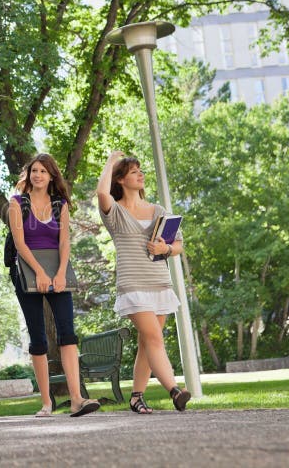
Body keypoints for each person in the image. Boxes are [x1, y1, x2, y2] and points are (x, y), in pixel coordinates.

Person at [96, 150, 191, 413]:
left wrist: (165, 249)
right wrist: (111, 161)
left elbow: (178, 244)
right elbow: (101, 192)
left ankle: (136, 397)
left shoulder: (158, 210)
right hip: (133, 284)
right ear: (120, 179)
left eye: (141, 170)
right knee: (154, 338)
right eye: (134, 171)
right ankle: (175, 390)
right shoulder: (115, 211)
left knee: (147, 343)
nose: (141, 174)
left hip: (159, 283)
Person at [8, 153, 101, 418]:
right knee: (38, 336)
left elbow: (64, 241)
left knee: (67, 333)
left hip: (58, 271)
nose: (38, 175)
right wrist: (39, 272)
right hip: (27, 272)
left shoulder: (61, 205)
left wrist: (60, 273)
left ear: (51, 176)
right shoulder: (17, 203)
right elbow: (19, 243)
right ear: (29, 175)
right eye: (34, 171)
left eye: (43, 171)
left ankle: (76, 399)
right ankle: (46, 403)